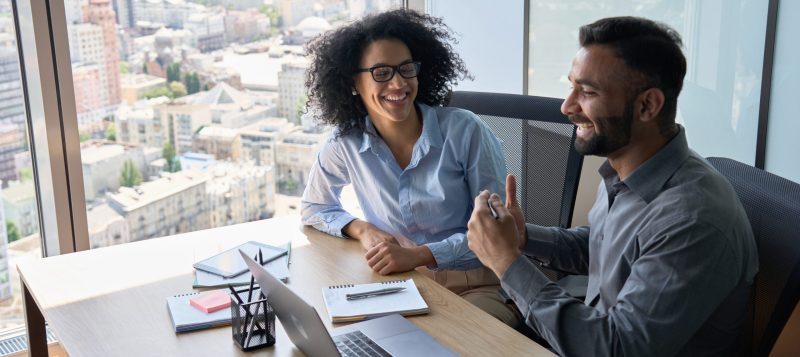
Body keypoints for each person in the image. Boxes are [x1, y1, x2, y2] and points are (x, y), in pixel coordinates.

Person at [466, 16, 758, 356]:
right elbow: (604, 246)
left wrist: (507, 263)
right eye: (572, 86)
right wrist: (525, 238)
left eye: (587, 92)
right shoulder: (626, 170)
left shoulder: (693, 219)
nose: (567, 106)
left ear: (648, 105)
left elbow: (618, 348)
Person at [300, 9, 520, 326]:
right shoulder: (346, 142)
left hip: (478, 285)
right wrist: (362, 229)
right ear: (353, 83)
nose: (398, 82)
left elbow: (498, 237)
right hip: (401, 285)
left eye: (406, 69)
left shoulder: (465, 131)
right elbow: (315, 207)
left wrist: (420, 255)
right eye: (381, 72)